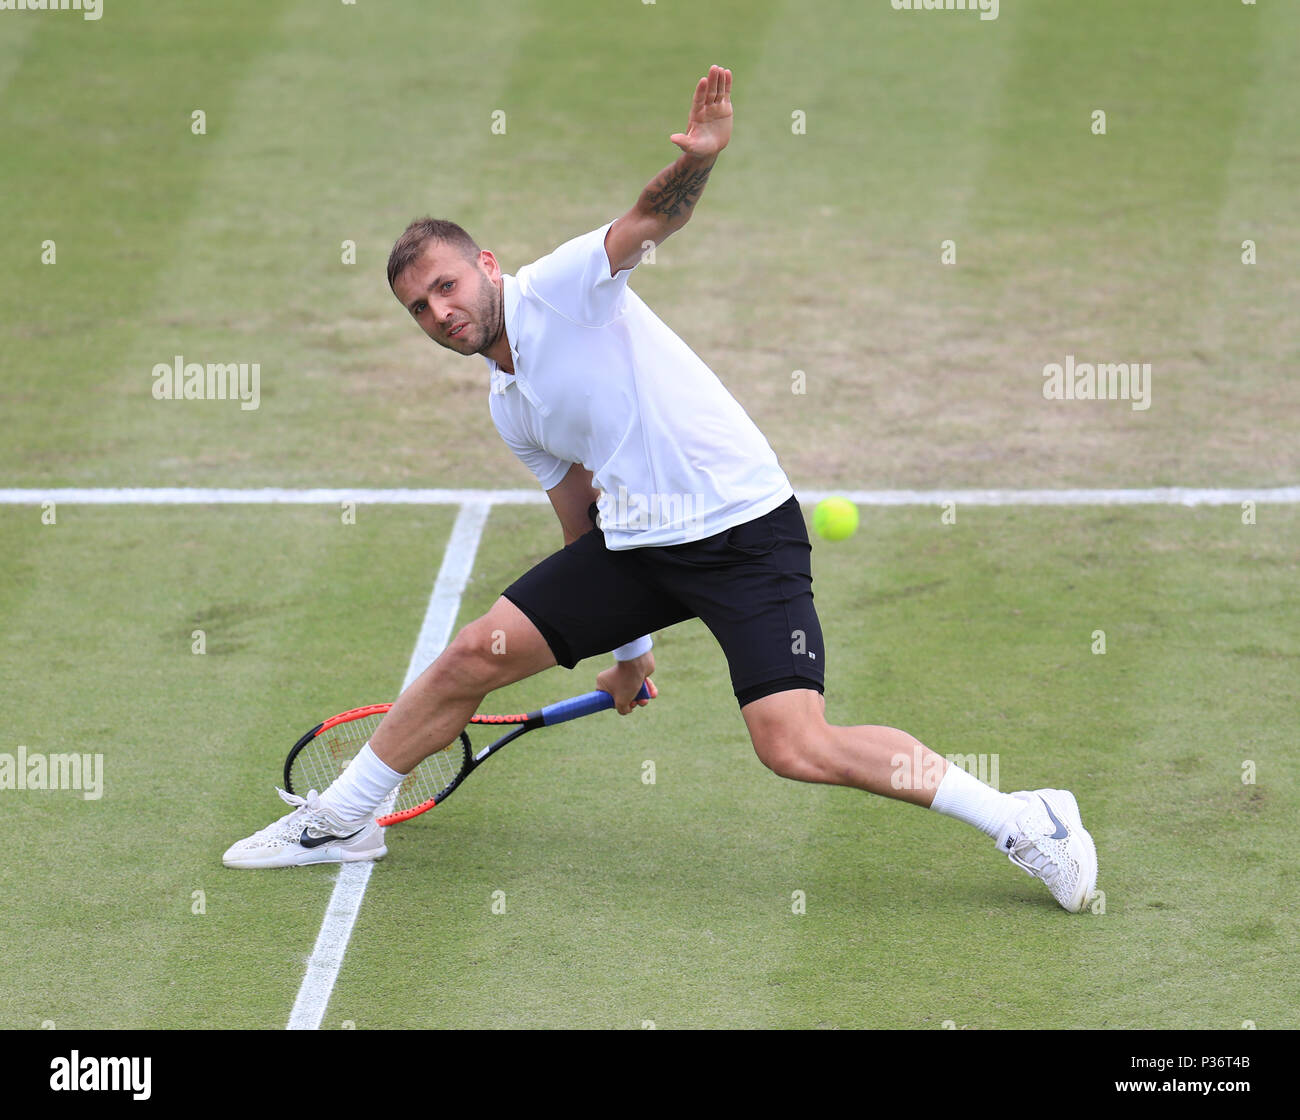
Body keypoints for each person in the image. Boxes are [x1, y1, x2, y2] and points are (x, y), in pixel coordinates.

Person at [224, 67, 1098, 912]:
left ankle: (1027, 819)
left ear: (485, 265)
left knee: (793, 745)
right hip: (639, 546)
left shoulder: (564, 288)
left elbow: (649, 221)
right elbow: (584, 527)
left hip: (744, 530)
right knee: (470, 657)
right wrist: (631, 655)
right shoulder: (510, 405)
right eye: (419, 307)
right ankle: (342, 819)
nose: (441, 312)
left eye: (447, 286)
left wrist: (702, 158)